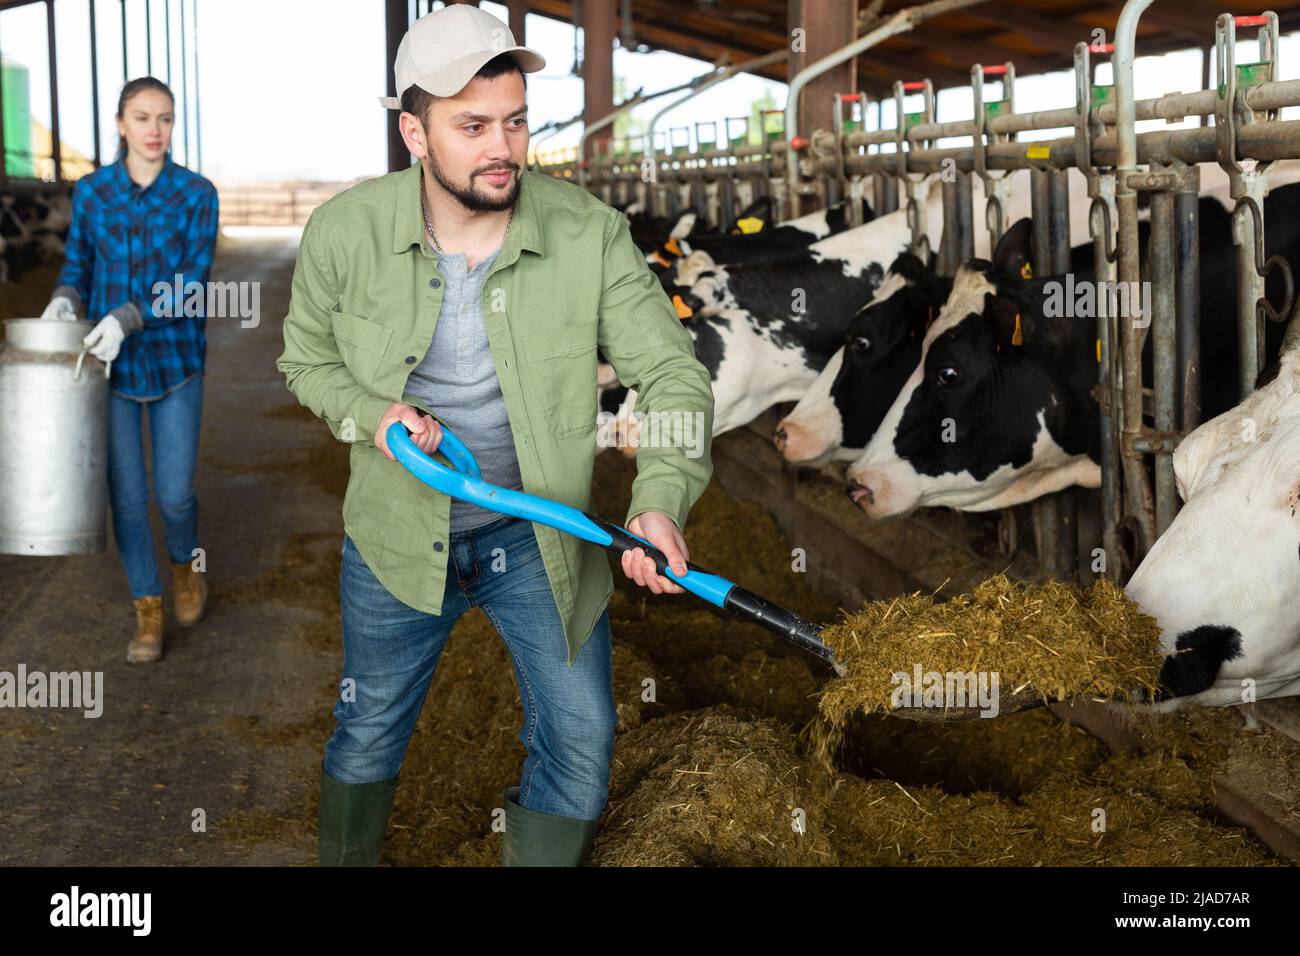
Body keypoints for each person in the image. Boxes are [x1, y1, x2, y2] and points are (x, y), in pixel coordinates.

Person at [276, 5, 714, 867]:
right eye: (472, 125)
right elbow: (304, 360)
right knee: (366, 733)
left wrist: (660, 503)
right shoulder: (344, 232)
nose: (501, 147)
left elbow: (673, 375)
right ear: (414, 132)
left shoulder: (587, 233)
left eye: (515, 121)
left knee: (585, 740)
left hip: (542, 531)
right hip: (399, 533)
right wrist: (375, 415)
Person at [39, 77, 220, 663]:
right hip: (107, 370)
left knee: (174, 497)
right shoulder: (92, 193)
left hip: (174, 363)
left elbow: (191, 285)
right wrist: (67, 297)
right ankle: (147, 612)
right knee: (127, 496)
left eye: (164, 118)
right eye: (142, 118)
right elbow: (79, 263)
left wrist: (129, 315)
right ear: (120, 123)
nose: (154, 130)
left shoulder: (197, 194)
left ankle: (189, 568)